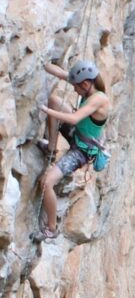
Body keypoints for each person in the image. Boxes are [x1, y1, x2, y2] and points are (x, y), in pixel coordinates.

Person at [38, 60, 110, 240]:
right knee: (55, 100)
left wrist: (46, 110)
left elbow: (74, 118)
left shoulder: (99, 99)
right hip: (78, 135)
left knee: (47, 183)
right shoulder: (87, 86)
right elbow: (62, 74)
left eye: (76, 87)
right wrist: (42, 63)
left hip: (83, 151)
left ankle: (52, 227)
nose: (74, 90)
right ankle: (52, 148)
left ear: (85, 84)